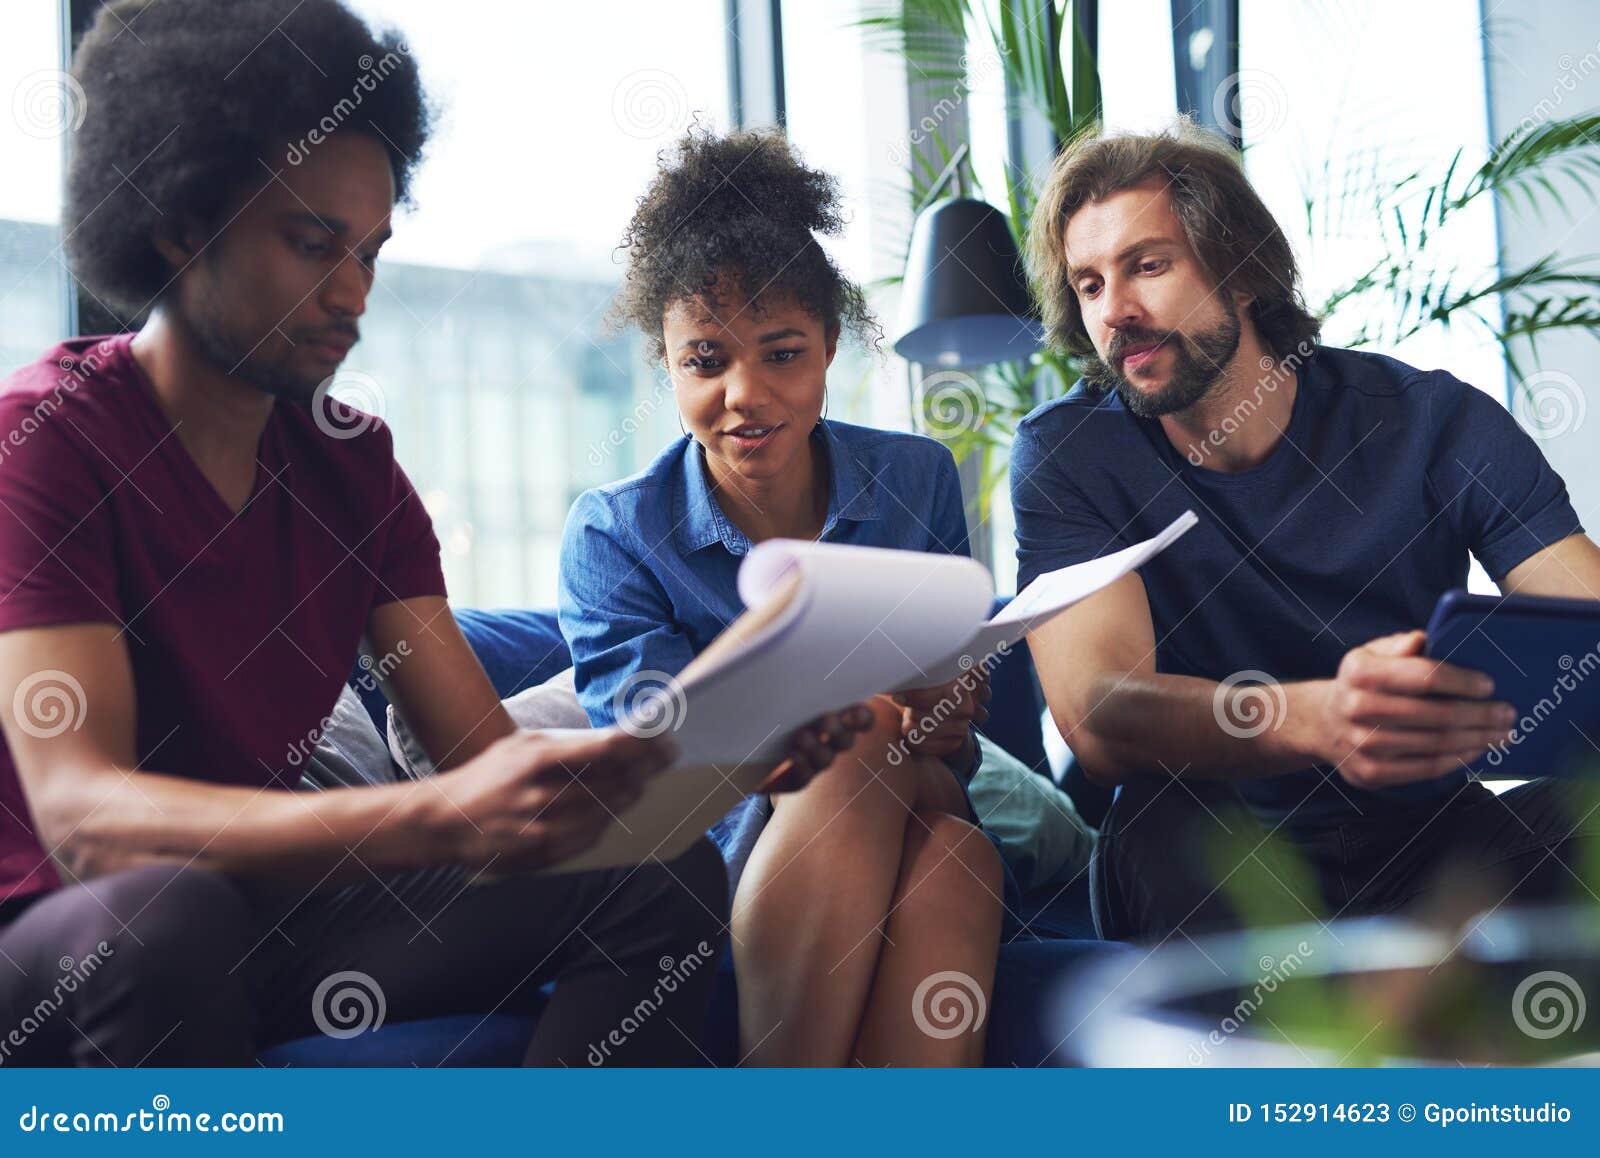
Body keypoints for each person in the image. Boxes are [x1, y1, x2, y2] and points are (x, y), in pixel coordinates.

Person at [0, 0, 857, 1067]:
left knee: (651, 878)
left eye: (369, 251)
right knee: (165, 919)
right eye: (313, 245)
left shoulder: (350, 466)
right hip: (63, 936)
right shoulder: (48, 440)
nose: (351, 292)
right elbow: (85, 818)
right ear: (182, 222)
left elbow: (481, 760)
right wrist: (437, 818)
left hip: (268, 919)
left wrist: (718, 761)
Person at [1014, 119, 1600, 942]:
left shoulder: (1430, 422)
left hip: (1435, 841)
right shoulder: (1071, 454)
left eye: (1148, 266)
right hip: (1220, 845)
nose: (1118, 311)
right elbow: (1099, 714)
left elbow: (1586, 626)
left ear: (1244, 273)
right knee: (1160, 822)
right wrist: (1320, 717)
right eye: (1090, 284)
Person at [559, 127, 1007, 1066]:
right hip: (724, 856)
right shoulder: (616, 531)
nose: (745, 394)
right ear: (666, 362)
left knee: (955, 849)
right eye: (705, 360)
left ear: (833, 346)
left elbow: (956, 728)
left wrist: (944, 707)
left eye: (782, 353)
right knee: (888, 784)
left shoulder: (915, 478)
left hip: (916, 801)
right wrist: (861, 715)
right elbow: (657, 770)